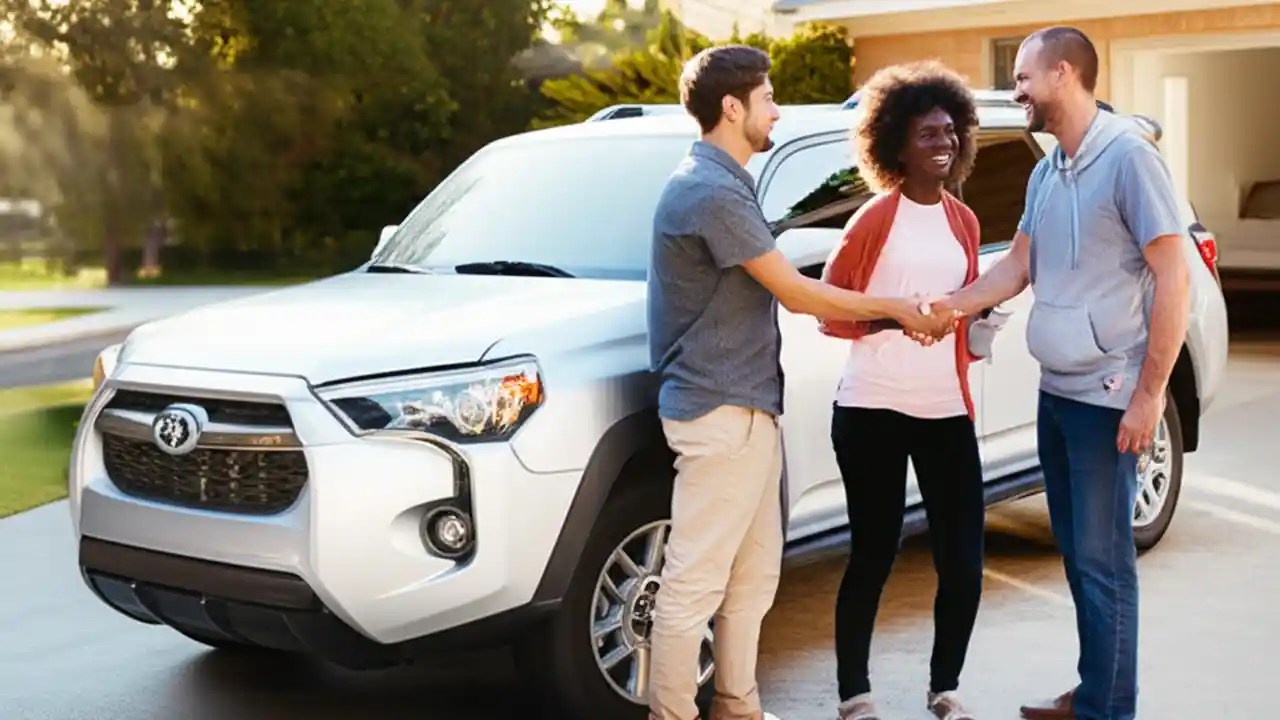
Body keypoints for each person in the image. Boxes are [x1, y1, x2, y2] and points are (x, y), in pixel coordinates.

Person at [646, 44, 958, 720]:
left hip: (750, 408)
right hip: (719, 411)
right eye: (767, 98)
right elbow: (796, 294)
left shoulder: (728, 183)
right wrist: (894, 308)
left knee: (754, 576)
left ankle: (738, 705)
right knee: (694, 581)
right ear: (732, 108)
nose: (776, 109)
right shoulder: (707, 189)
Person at [934, 26, 1191, 720]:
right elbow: (1016, 266)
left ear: (1066, 74)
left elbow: (1176, 277)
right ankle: (1095, 691)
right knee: (1082, 562)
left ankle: (1111, 709)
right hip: (1058, 395)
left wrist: (1148, 396)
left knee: (1105, 567)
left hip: (1109, 402)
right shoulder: (1048, 171)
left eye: (1024, 77)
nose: (1015, 89)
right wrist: (947, 308)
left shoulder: (1130, 160)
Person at [818, 60, 985, 720]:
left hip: (944, 408)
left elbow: (964, 302)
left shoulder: (964, 222)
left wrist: (967, 320)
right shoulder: (873, 220)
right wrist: (898, 313)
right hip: (871, 408)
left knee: (963, 561)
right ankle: (854, 696)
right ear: (895, 144)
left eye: (949, 132)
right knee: (874, 553)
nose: (942, 144)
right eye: (927, 134)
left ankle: (945, 689)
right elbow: (830, 306)